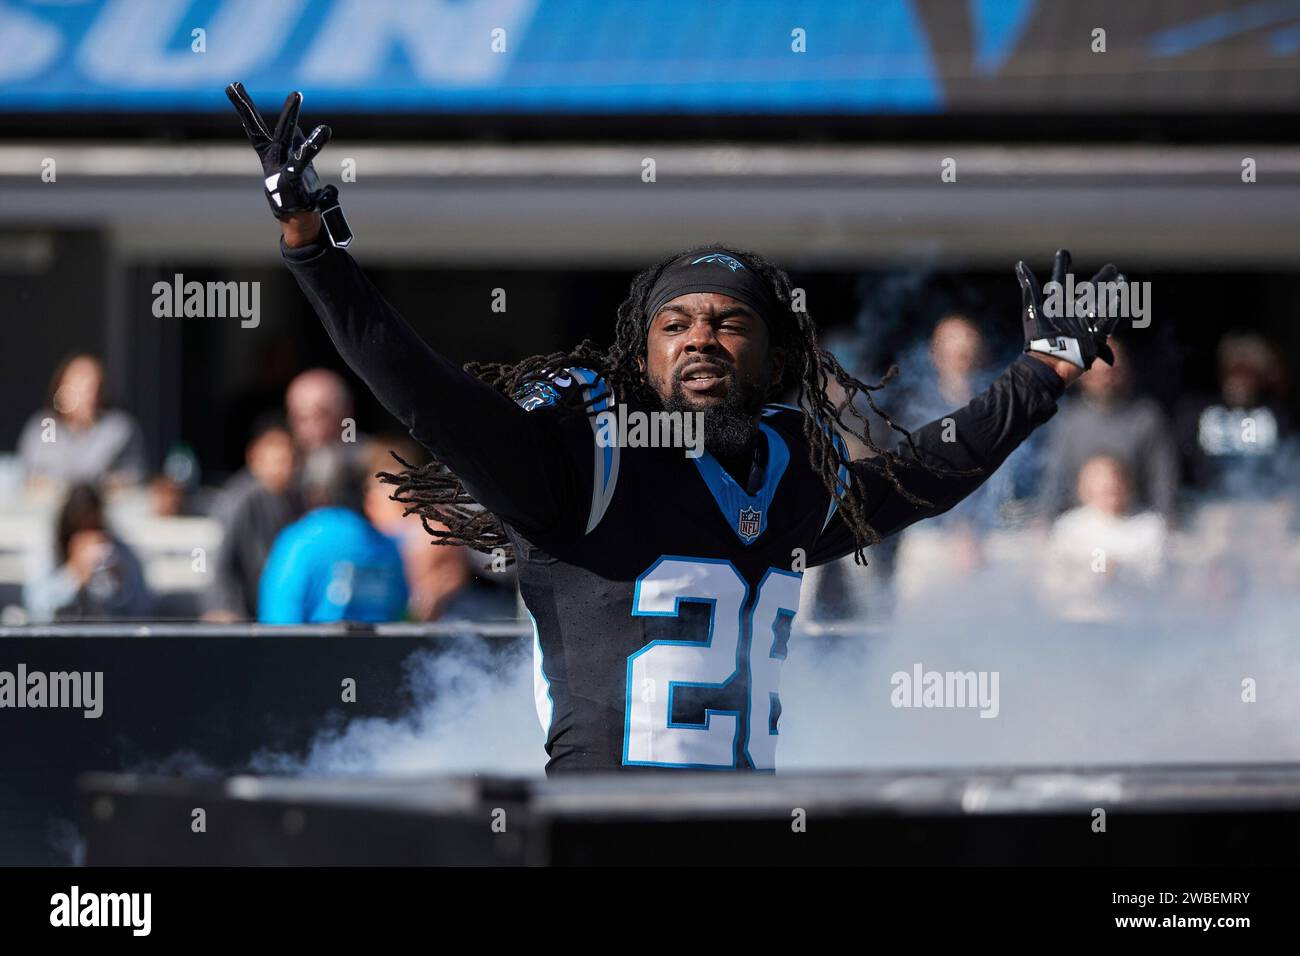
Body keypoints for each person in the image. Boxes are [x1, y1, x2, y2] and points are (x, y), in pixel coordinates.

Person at [228, 83, 1123, 773]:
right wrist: (311, 245)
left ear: (776, 363)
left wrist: (1043, 371)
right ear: (643, 357)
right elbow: (420, 388)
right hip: (600, 839)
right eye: (676, 323)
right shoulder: (588, 461)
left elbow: (929, 471)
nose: (702, 336)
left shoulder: (794, 471)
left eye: (730, 322)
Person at [257, 446, 407, 625]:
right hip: (383, 652)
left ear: (314, 492)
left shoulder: (298, 540)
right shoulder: (387, 546)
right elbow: (401, 609)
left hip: (310, 651)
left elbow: (278, 619)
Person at [1038, 338, 1178, 520]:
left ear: (1126, 371)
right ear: (1083, 374)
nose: (1106, 379)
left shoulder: (1146, 418)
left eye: (1113, 371)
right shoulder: (1068, 421)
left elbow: (1163, 484)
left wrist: (1167, 521)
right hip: (1080, 525)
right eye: (1098, 372)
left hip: (1135, 522)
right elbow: (1053, 484)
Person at [202, 415, 302, 621]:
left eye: (290, 460)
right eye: (277, 461)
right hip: (242, 611)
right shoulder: (239, 499)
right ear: (255, 458)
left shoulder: (297, 499)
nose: (284, 469)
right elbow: (220, 560)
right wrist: (223, 606)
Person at [1044, 455, 1166, 622]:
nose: (1109, 495)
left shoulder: (1149, 527)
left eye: (1114, 489)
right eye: (1103, 490)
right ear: (1086, 490)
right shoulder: (1069, 528)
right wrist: (1088, 576)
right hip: (1079, 618)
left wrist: (1121, 572)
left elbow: (1158, 580)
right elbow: (1053, 582)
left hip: (1133, 620)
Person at [17, 354, 146, 491]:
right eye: (77, 384)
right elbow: (29, 478)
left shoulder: (118, 428)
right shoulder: (43, 426)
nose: (86, 392)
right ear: (59, 387)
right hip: (50, 510)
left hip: (100, 510)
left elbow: (135, 478)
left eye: (92, 385)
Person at [25, 483, 152, 622]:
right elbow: (36, 608)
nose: (87, 536)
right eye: (78, 529)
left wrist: (119, 580)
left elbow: (141, 609)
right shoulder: (50, 550)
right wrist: (73, 575)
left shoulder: (119, 551)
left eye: (93, 527)